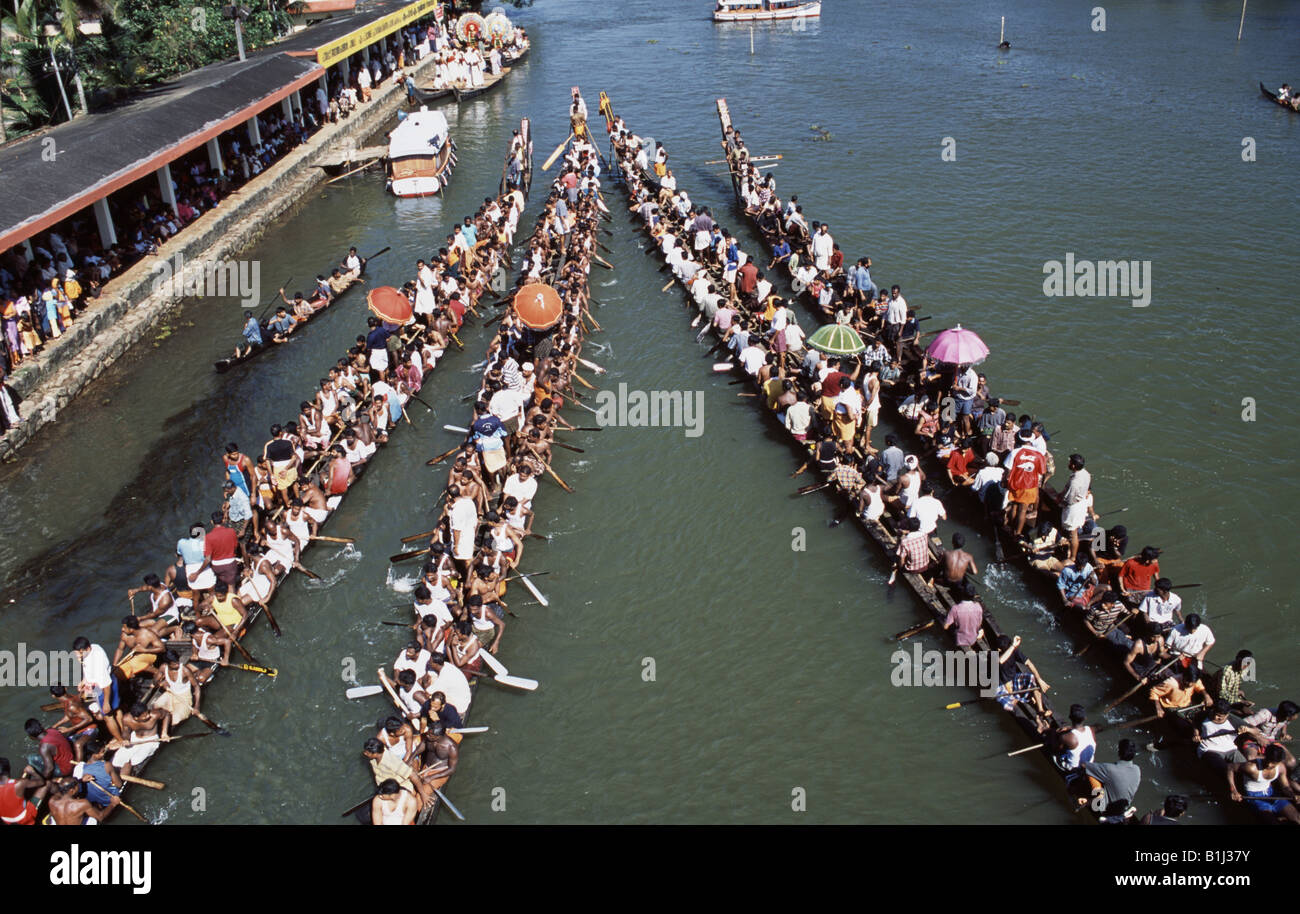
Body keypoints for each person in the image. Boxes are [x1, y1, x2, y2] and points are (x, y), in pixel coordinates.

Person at [1077, 740, 1141, 822]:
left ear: (1119, 752)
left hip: (1106, 812)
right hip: (1122, 809)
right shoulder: (1137, 770)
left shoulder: (1109, 769)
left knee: (1091, 773)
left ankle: (1096, 799)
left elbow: (1084, 765)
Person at [1236, 745, 1300, 823]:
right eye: (1268, 760)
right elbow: (1230, 768)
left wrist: (1292, 795)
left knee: (1298, 818)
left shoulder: (1281, 768)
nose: (1269, 764)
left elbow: (1285, 786)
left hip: (1270, 793)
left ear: (1279, 762)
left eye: (1273, 763)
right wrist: (1234, 790)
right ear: (1265, 756)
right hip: (1254, 797)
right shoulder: (1251, 767)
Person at [1061, 454, 1092, 563]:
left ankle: (1073, 557)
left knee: (1072, 533)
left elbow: (1069, 500)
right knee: (1072, 531)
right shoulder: (1086, 473)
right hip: (1081, 503)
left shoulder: (1075, 482)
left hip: (1074, 507)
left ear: (1073, 466)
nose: (1068, 464)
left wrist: (1062, 502)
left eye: (1070, 462)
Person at [942, 583, 983, 649]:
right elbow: (979, 624)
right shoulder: (978, 607)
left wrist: (948, 615)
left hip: (959, 640)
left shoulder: (955, 608)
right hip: (972, 640)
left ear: (962, 594)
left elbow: (945, 627)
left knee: (949, 618)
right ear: (974, 596)